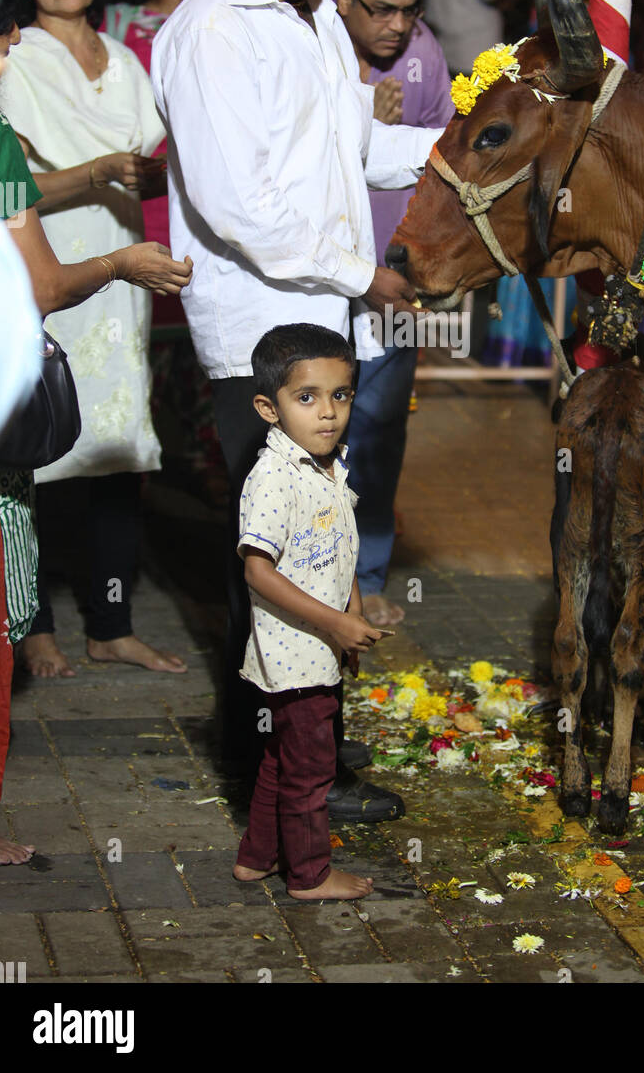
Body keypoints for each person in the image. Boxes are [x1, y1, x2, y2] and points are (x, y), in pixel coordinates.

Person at [151, 0, 442, 817]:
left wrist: (473, 148)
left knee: (316, 547)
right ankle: (270, 778)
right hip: (259, 334)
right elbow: (240, 206)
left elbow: (358, 146)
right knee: (270, 564)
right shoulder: (211, 31)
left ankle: (308, 765)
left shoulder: (309, 13)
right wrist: (364, 272)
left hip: (320, 318)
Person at [0, 0, 191, 865]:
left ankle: (99, 628)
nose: (3, 62)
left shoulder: (116, 63)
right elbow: (39, 287)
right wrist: (118, 263)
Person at [232, 324, 382, 899]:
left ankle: (257, 858)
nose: (327, 413)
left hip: (319, 649)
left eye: (340, 395)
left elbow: (340, 552)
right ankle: (310, 874)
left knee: (281, 758)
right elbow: (257, 570)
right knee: (311, 770)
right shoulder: (273, 479)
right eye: (306, 398)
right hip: (294, 654)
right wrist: (335, 624)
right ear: (269, 408)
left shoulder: (326, 466)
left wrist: (353, 619)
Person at [334, 0, 453, 625]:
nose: (397, 27)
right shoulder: (310, 47)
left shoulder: (424, 53)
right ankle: (306, 578)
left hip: (392, 281)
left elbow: (447, 161)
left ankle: (369, 575)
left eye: (408, 11)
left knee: (377, 433)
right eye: (381, 10)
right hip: (314, 278)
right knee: (312, 433)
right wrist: (356, 117)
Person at [103, 0, 231, 502]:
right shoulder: (114, 34)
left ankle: (210, 475)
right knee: (134, 370)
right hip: (134, 214)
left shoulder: (222, 29)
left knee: (202, 366)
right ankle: (130, 488)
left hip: (197, 220)